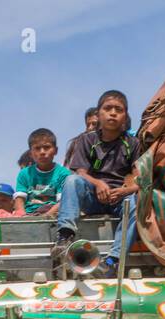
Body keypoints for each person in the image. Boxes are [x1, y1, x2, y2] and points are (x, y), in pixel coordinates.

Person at [55, 90, 140, 277]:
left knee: (135, 203)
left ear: (125, 116)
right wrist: (98, 184)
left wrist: (126, 191)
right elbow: (80, 172)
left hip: (119, 199)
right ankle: (65, 237)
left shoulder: (132, 143)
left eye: (119, 109)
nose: (113, 113)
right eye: (107, 108)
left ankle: (113, 261)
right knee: (72, 181)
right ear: (99, 114)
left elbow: (138, 177)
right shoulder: (87, 140)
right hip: (93, 196)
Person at [14, 128, 70, 217]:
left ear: (56, 150)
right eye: (37, 148)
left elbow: (62, 202)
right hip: (29, 215)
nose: (42, 152)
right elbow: (19, 200)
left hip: (54, 216)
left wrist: (45, 217)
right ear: (31, 153)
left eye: (47, 147)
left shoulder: (64, 174)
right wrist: (23, 217)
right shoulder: (24, 174)